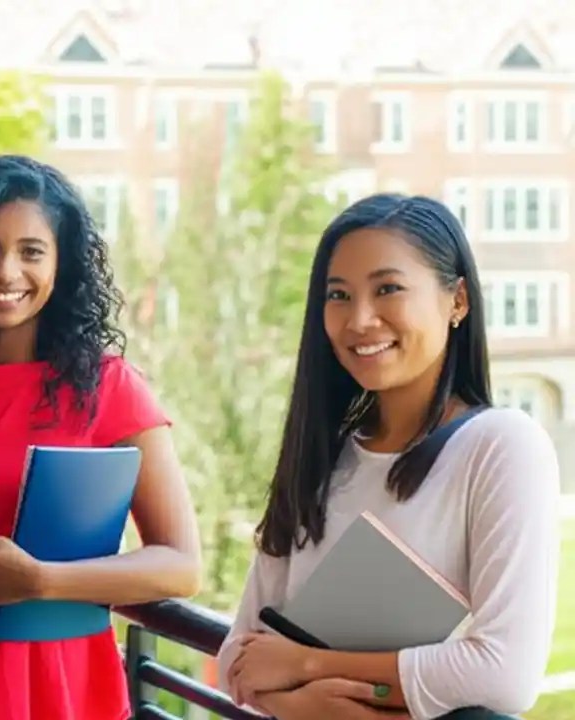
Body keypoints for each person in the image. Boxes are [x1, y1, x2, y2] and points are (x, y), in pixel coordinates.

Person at [0, 155, 204, 720]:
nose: (6, 271)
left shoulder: (108, 388)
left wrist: (43, 581)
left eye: (31, 251)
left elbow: (181, 565)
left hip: (56, 681)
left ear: (61, 264)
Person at [217, 194, 560, 720]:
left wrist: (308, 669)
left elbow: (503, 674)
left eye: (388, 289)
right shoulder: (321, 456)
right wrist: (308, 705)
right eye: (338, 294)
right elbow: (240, 654)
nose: (360, 320)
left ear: (458, 301)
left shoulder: (501, 446)